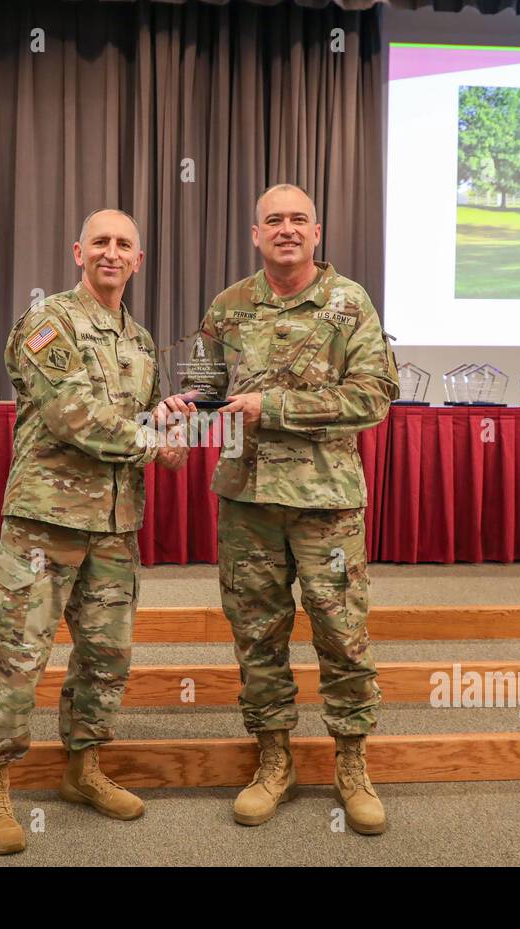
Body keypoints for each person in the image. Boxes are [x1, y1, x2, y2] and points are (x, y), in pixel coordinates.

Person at [162, 184, 399, 834]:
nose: (287, 229)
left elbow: (375, 396)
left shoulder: (349, 303)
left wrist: (277, 407)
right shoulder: (229, 307)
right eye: (275, 220)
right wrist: (182, 425)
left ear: (316, 233)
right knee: (258, 639)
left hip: (327, 505)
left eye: (298, 220)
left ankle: (352, 765)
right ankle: (273, 762)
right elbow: (206, 389)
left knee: (342, 637)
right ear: (256, 233)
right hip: (248, 504)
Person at [0, 209, 187, 855]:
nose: (111, 252)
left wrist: (162, 415)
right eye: (100, 242)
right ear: (78, 252)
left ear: (138, 260)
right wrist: (153, 442)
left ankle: (82, 769)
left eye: (124, 244)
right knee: (18, 657)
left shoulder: (142, 341)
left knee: (105, 658)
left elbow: (124, 416)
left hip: (116, 528)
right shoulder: (49, 321)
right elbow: (71, 415)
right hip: (46, 522)